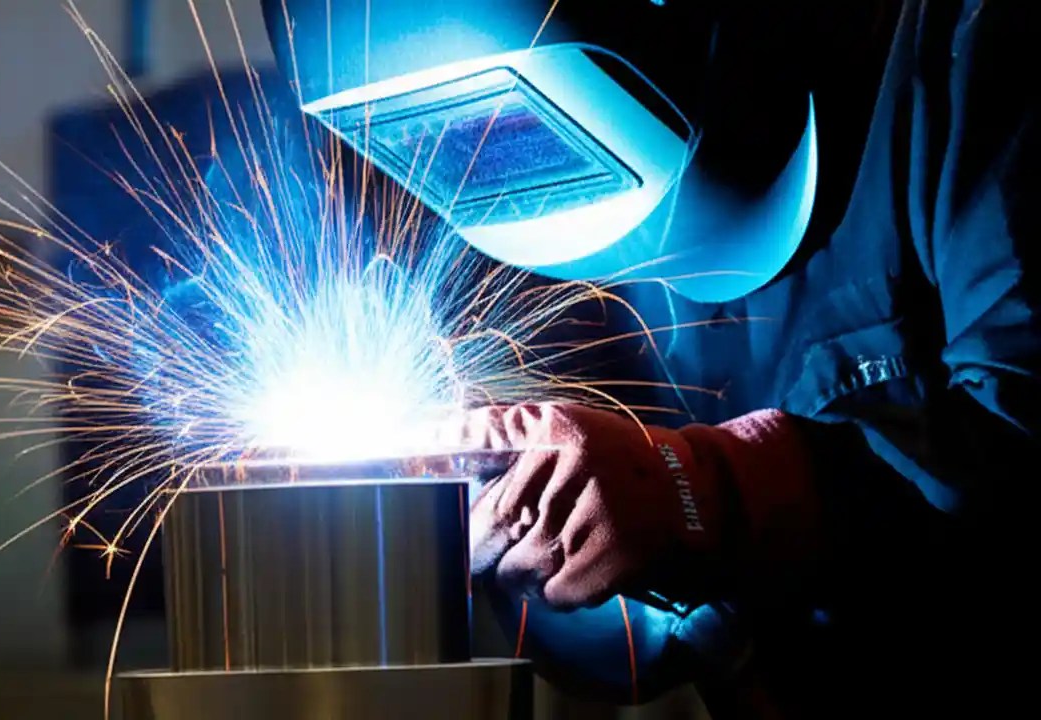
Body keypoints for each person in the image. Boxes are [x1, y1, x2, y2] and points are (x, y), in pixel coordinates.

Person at [261, 0, 1039, 716]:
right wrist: (537, 534)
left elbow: (1025, 474)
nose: (504, 156)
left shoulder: (970, 51)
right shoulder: (501, 213)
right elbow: (629, 656)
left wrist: (697, 489)